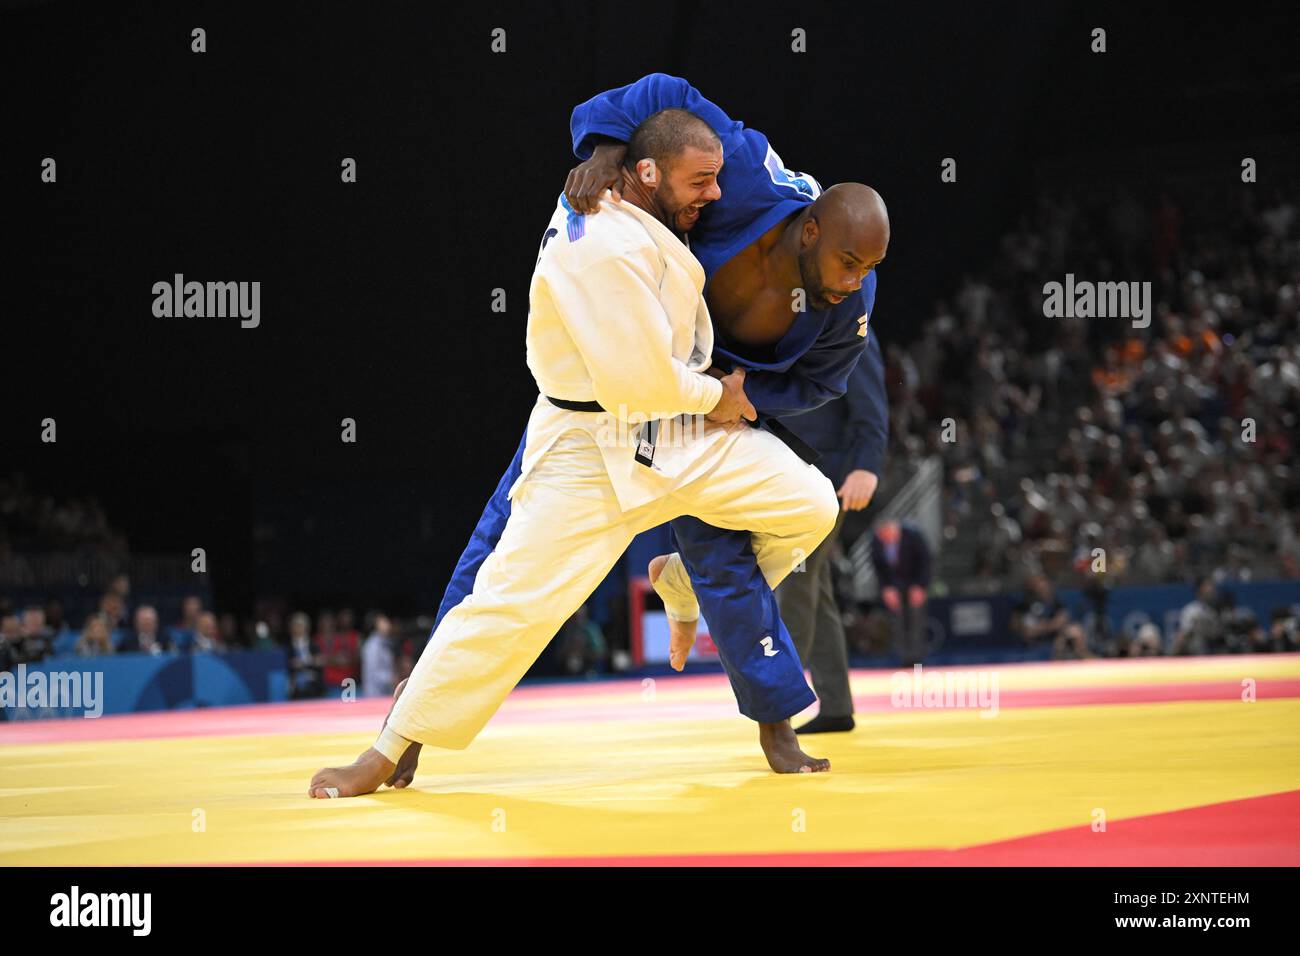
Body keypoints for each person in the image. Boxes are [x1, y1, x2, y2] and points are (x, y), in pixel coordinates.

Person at [309, 107, 842, 799]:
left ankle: (679, 583)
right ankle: (386, 749)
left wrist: (710, 403)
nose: (714, 194)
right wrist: (722, 400)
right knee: (510, 602)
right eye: (700, 181)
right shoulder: (601, 243)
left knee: (810, 504)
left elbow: (659, 380)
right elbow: (638, 383)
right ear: (647, 174)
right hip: (590, 447)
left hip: (676, 431)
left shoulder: (637, 211)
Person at [774, 352, 887, 733]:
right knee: (813, 588)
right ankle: (836, 705)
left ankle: (778, 712)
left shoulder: (848, 315)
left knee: (795, 584)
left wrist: (867, 464)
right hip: (783, 469)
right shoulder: (783, 313)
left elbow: (870, 398)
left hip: (827, 476)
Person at [871, 521, 932, 666]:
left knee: (915, 620)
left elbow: (926, 562)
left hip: (914, 582)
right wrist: (886, 589)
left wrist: (920, 586)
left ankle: (917, 661)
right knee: (897, 622)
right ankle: (902, 660)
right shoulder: (876, 540)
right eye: (882, 536)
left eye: (888, 535)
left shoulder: (913, 536)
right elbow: (878, 567)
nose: (885, 539)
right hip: (893, 585)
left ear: (895, 530)